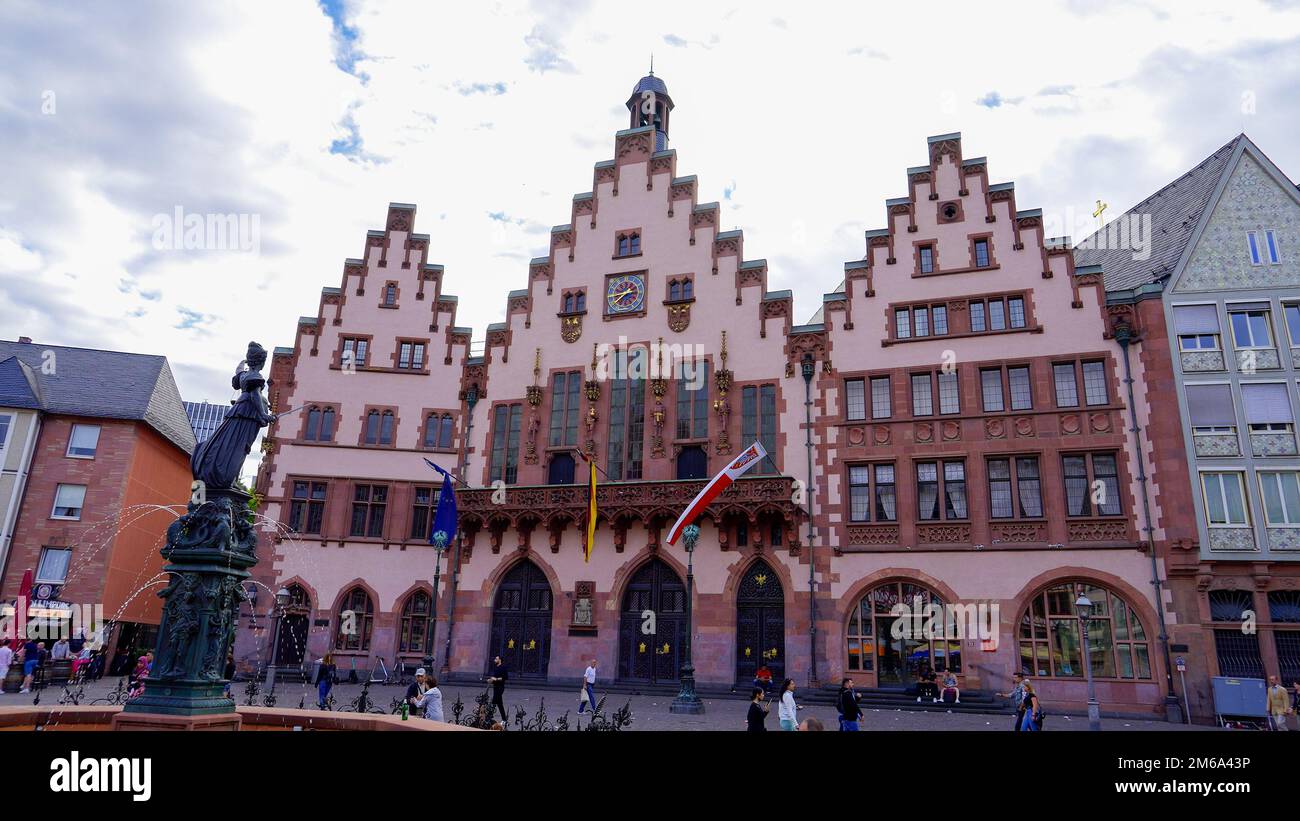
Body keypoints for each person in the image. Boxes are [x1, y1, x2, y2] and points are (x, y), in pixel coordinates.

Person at [488, 655, 509, 722]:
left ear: (499, 660)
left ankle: (488, 718)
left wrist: (496, 679)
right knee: (500, 704)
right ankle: (504, 719)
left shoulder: (503, 667)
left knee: (494, 701)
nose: (495, 660)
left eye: (496, 659)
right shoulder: (496, 667)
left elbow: (505, 677)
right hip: (495, 687)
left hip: (500, 688)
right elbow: (494, 677)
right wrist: (490, 680)